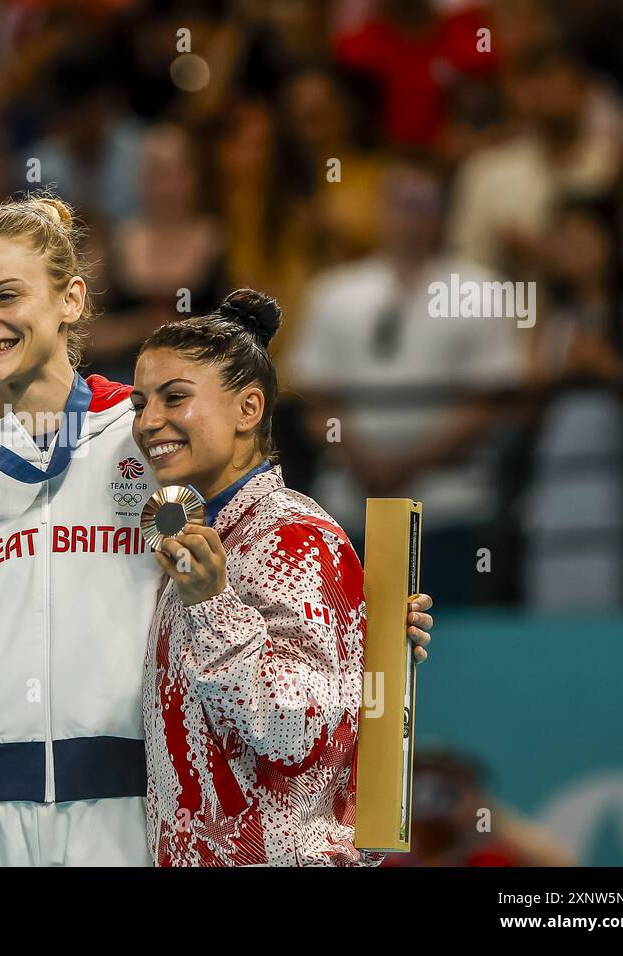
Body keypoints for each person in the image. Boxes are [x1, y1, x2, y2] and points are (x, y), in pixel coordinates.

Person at [0, 194, 434, 866]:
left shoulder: (145, 440)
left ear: (71, 299)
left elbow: (263, 543)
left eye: (6, 295)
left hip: (125, 816)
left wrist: (361, 625)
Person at [131, 289, 431, 866]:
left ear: (248, 410)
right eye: (141, 402)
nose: (149, 422)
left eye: (175, 398)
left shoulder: (293, 538)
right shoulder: (203, 542)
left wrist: (213, 605)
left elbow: (291, 734)